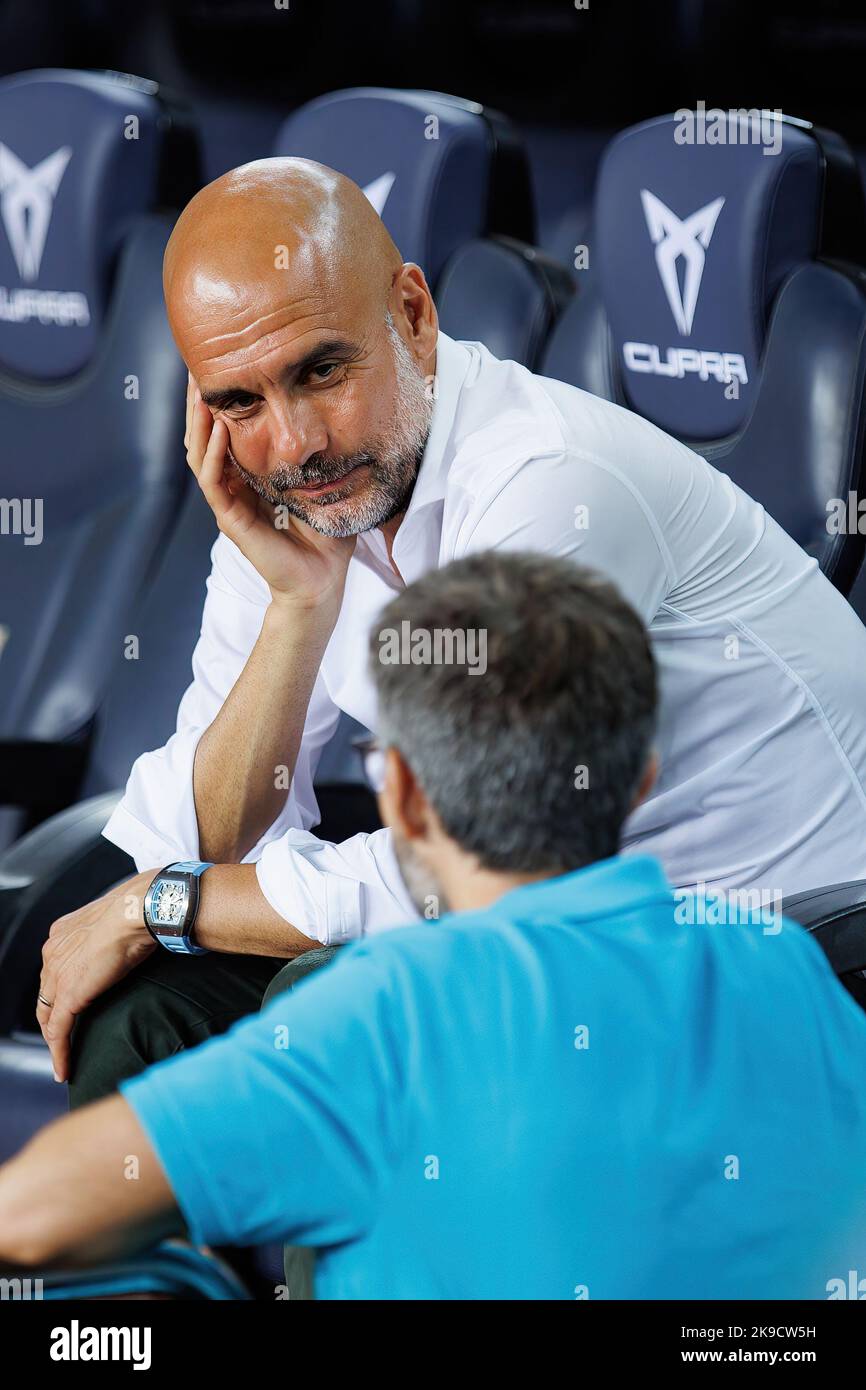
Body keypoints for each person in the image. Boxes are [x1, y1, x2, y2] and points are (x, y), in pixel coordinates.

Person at [42, 157, 866, 1103]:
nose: (296, 441)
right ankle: (173, 1260)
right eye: (240, 402)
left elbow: (464, 867)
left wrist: (163, 905)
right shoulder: (300, 500)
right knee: (144, 1014)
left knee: (347, 1010)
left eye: (322, 370)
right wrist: (299, 606)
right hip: (563, 939)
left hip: (784, 955)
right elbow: (197, 840)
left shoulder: (548, 483)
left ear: (414, 317)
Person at [8, 553, 866, 1299]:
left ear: (405, 796)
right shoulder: (788, 967)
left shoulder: (384, 1013)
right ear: (640, 778)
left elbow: (34, 1217)